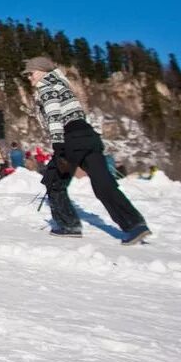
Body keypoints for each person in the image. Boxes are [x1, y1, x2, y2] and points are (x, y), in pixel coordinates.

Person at [24, 56, 151, 245]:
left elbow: (54, 116)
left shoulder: (46, 87)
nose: (29, 78)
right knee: (104, 184)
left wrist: (59, 146)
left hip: (70, 138)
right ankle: (134, 225)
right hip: (89, 136)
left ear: (42, 71)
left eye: (30, 73)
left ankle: (68, 226)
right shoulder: (63, 85)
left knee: (54, 181)